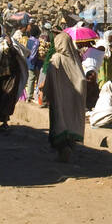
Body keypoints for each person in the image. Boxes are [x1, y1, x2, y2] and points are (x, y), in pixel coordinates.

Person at [43, 30, 87, 161]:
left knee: (59, 122)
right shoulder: (75, 58)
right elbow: (82, 79)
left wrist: (46, 93)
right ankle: (70, 147)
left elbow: (49, 79)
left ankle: (63, 151)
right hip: (74, 101)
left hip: (60, 100)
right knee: (70, 123)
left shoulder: (57, 58)